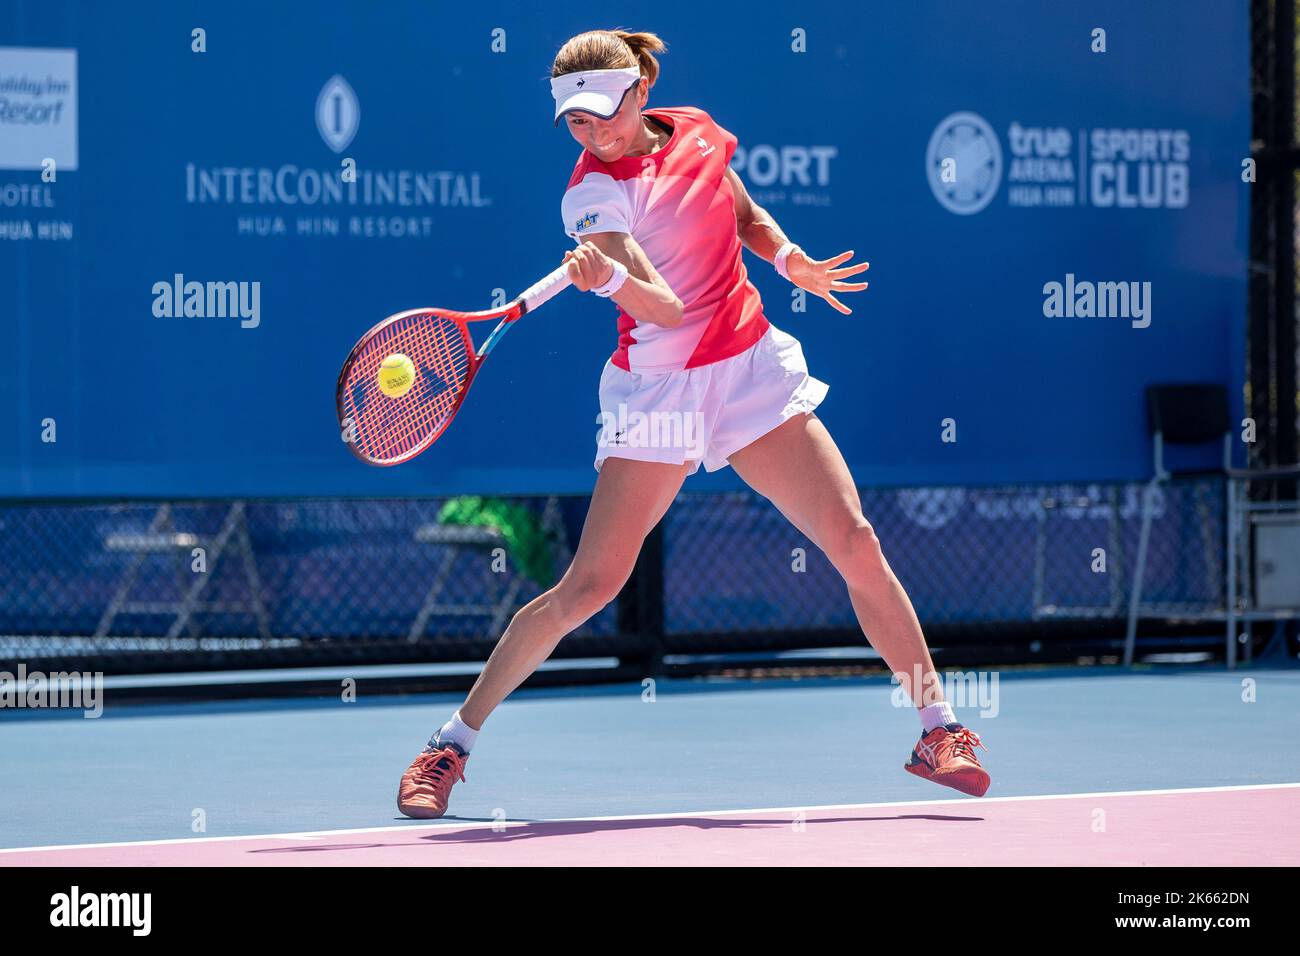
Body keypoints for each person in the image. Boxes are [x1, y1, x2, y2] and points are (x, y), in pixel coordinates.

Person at [398, 28, 989, 819]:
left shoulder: (698, 130)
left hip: (748, 369)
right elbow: (664, 308)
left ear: (639, 89)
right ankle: (450, 744)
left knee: (854, 542)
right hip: (660, 394)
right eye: (575, 121)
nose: (592, 132)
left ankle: (937, 728)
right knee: (589, 586)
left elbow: (740, 212)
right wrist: (608, 271)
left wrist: (790, 261)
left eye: (602, 113)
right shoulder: (592, 195)